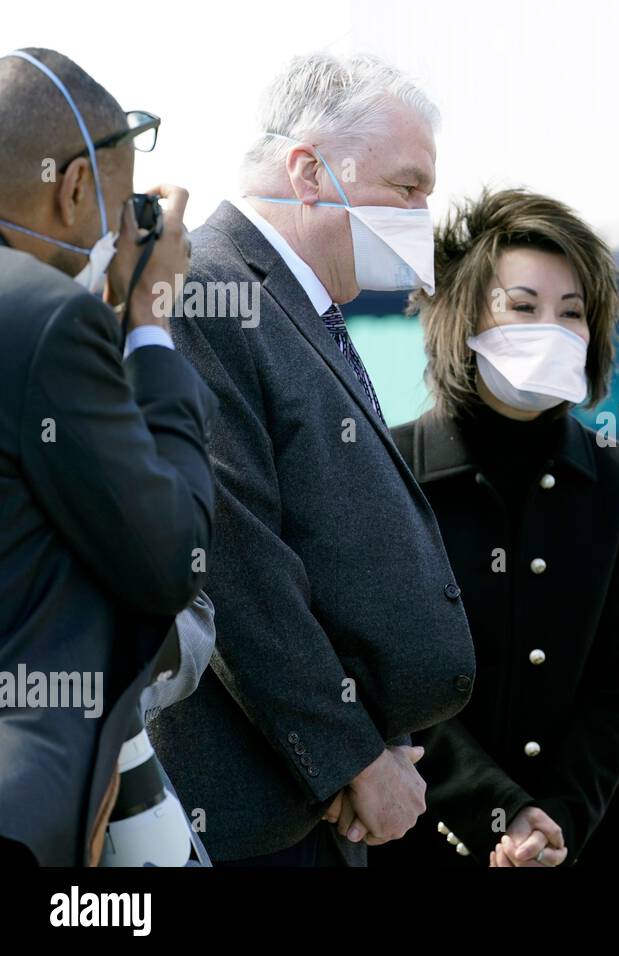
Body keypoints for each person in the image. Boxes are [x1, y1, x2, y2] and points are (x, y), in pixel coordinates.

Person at [148, 53, 475, 866]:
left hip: (316, 804)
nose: (421, 215)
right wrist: (353, 758)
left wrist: (384, 741)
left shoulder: (299, 302)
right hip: (259, 806)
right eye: (407, 188)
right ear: (308, 171)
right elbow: (231, 554)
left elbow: (342, 551)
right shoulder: (208, 289)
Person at [370, 189, 619, 868]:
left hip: (580, 833)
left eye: (573, 313)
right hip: (429, 830)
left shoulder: (616, 476)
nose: (551, 330)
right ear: (463, 318)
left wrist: (555, 821)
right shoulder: (391, 465)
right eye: (523, 308)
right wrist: (497, 811)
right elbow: (388, 676)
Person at [0, 48, 214, 865]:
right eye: (122, 209)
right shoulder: (47, 321)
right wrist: (151, 324)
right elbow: (170, 555)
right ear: (75, 190)